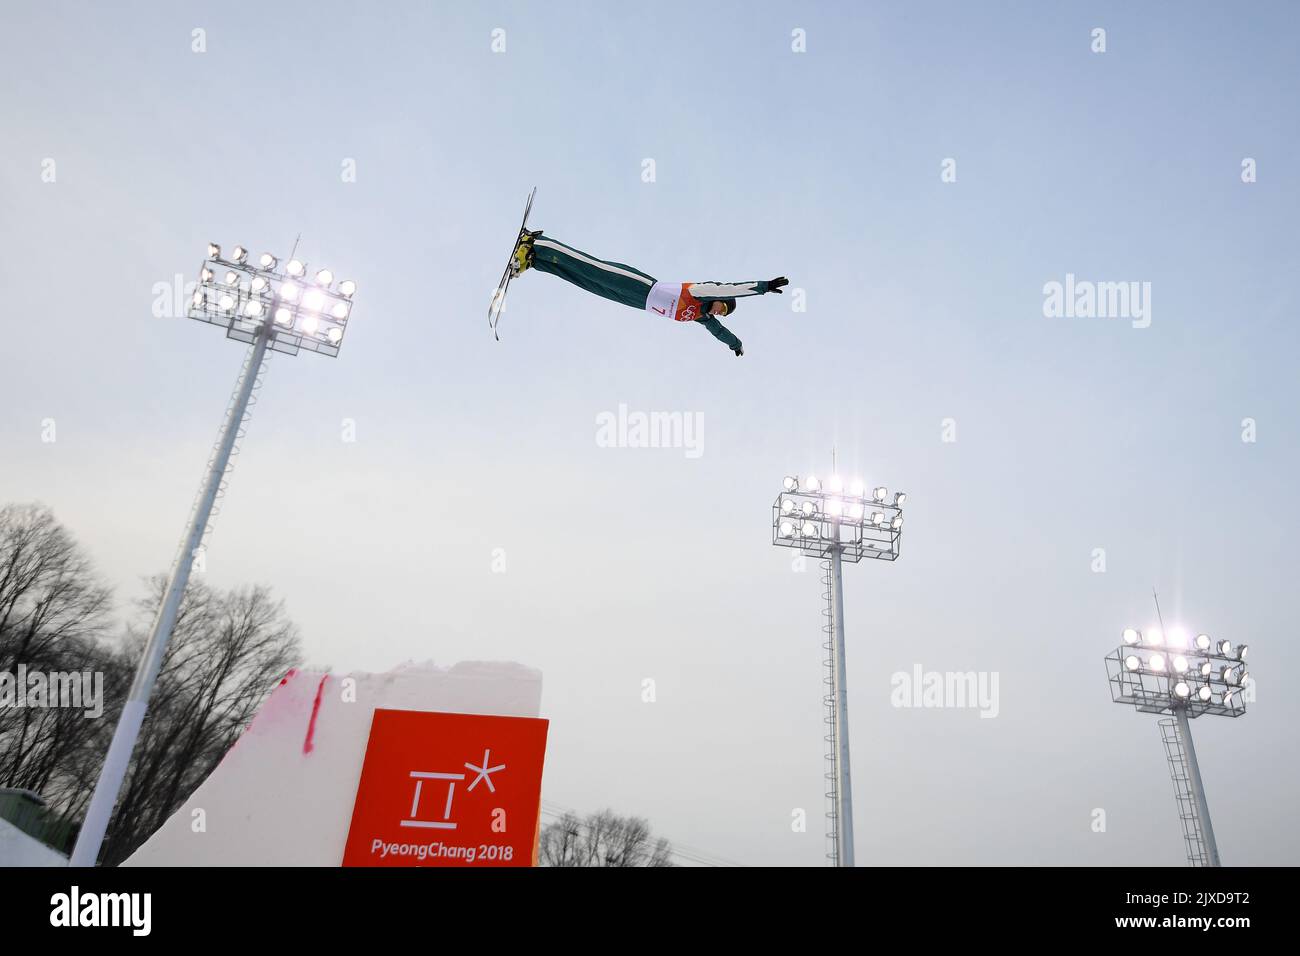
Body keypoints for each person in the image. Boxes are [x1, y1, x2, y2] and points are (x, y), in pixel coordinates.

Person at [511, 229, 788, 356]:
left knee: (588, 284)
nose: (719, 311)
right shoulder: (703, 292)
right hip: (642, 285)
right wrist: (762, 287)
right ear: (719, 299)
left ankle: (534, 259)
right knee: (593, 269)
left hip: (637, 303)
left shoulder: (702, 317)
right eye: (722, 307)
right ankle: (538, 242)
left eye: (722, 313)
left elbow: (719, 332)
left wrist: (735, 344)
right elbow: (732, 288)